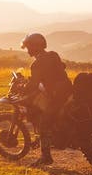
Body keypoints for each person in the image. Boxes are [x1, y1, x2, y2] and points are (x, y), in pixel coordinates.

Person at [20, 32, 73, 167]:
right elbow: (62, 67)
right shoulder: (53, 54)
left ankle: (45, 157)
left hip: (58, 96)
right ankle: (46, 140)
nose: (27, 51)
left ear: (34, 47)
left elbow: (33, 84)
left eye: (28, 47)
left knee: (44, 122)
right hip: (68, 90)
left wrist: (23, 88)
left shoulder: (37, 64)